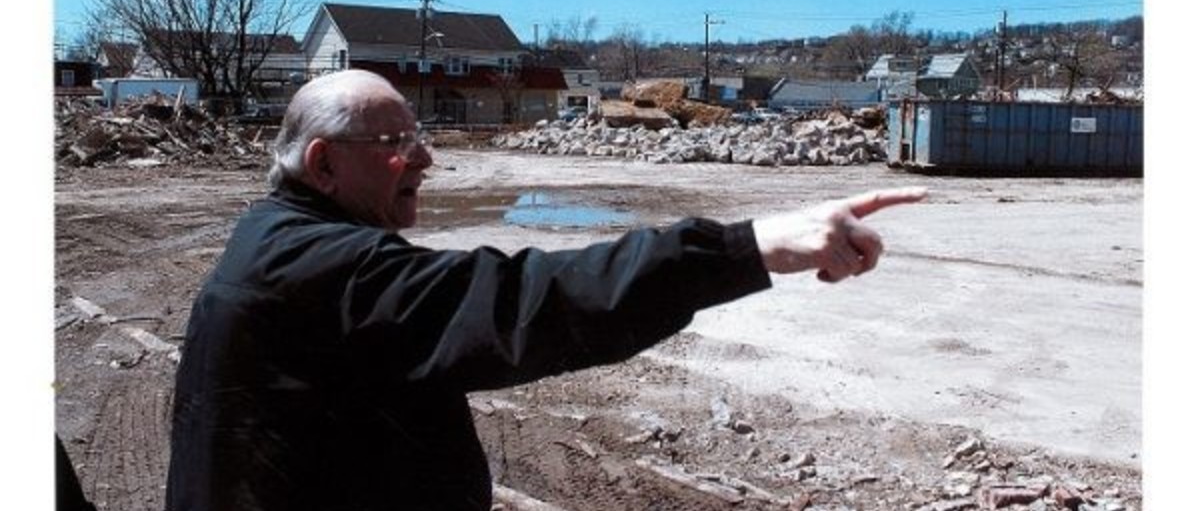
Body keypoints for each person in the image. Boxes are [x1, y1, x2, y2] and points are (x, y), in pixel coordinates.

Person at [164, 69, 926, 511]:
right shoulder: (320, 270)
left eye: (417, 135)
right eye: (395, 144)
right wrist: (750, 247)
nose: (425, 158)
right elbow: (532, 300)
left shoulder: (278, 240)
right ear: (324, 164)